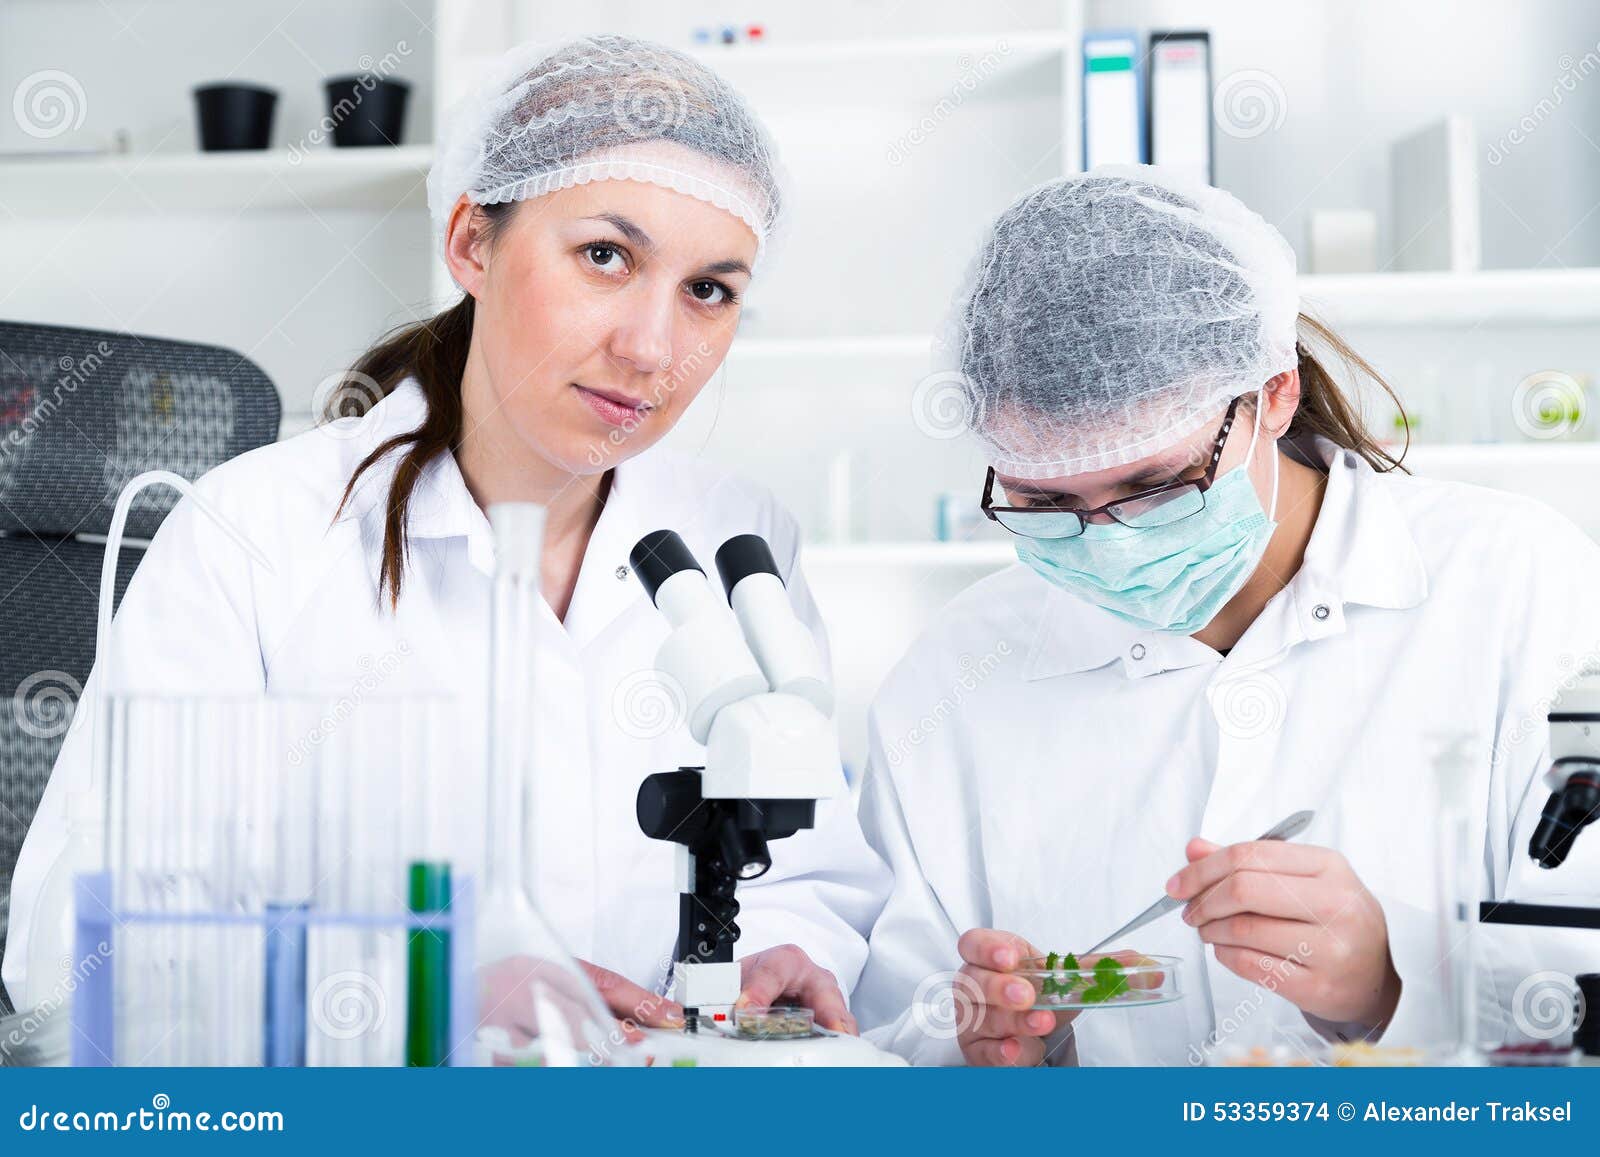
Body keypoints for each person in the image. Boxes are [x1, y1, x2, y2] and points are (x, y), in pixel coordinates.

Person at [4, 34, 888, 1037]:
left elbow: (807, 865)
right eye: (605, 255)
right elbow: (73, 953)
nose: (652, 348)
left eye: (709, 290)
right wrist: (423, 993)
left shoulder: (738, 533)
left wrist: (785, 946)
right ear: (473, 242)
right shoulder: (252, 531)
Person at [853, 166, 1600, 1066]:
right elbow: (879, 1039)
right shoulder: (953, 676)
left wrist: (1395, 984)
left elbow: (1579, 999)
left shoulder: (1521, 583)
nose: (1114, 542)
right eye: (1047, 501)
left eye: (1156, 485)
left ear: (1273, 394)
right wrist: (981, 1053)